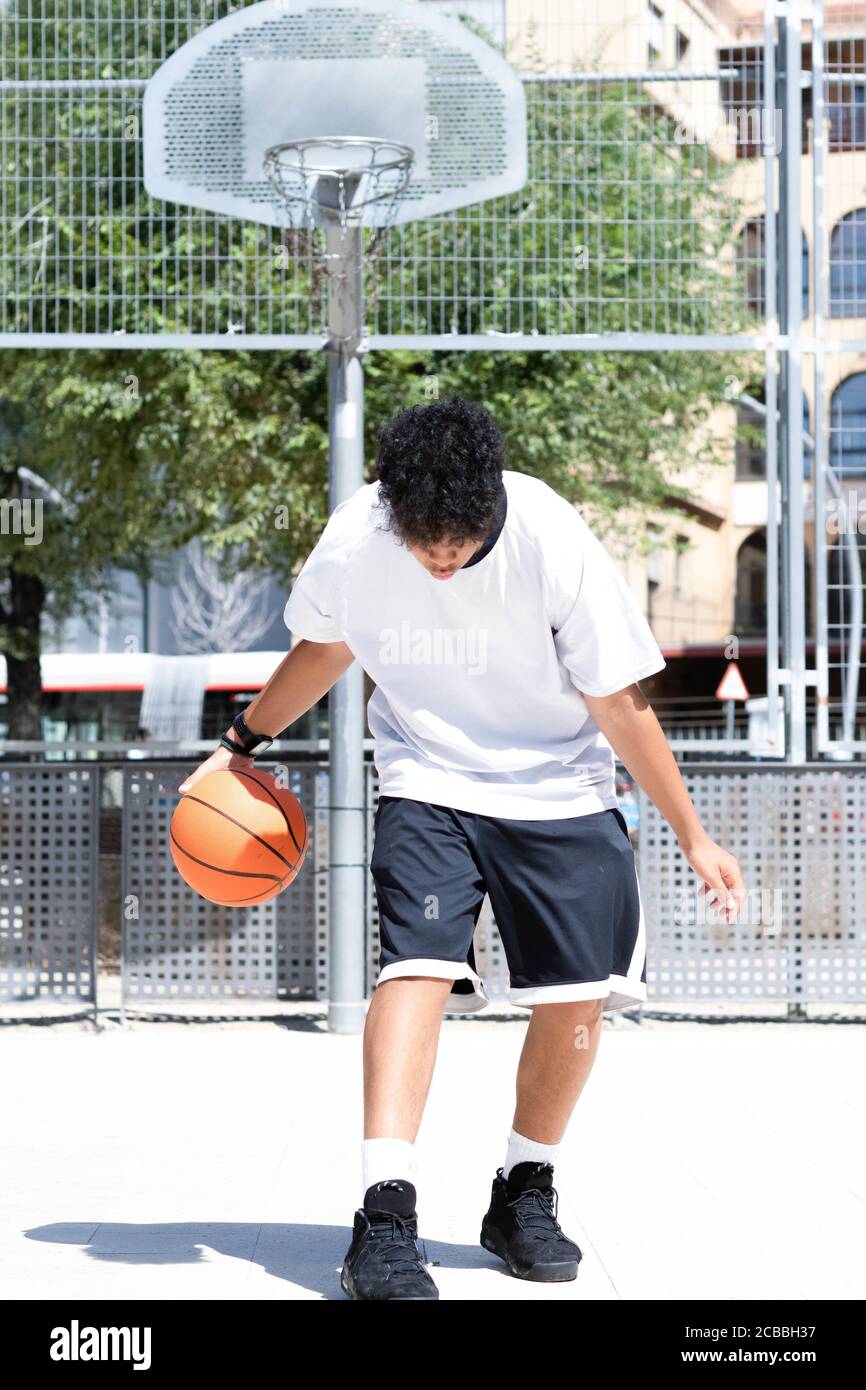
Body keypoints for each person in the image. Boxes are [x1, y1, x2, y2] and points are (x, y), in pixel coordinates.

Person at [178, 394, 745, 1301]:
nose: (441, 562)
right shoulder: (359, 538)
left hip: (560, 784)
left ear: (494, 506)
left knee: (578, 1003)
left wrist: (694, 833)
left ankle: (524, 1189)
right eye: (423, 544)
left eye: (460, 545)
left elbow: (617, 700)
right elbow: (324, 650)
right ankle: (385, 1213)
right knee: (415, 969)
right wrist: (239, 743)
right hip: (427, 778)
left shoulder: (550, 534)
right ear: (390, 509)